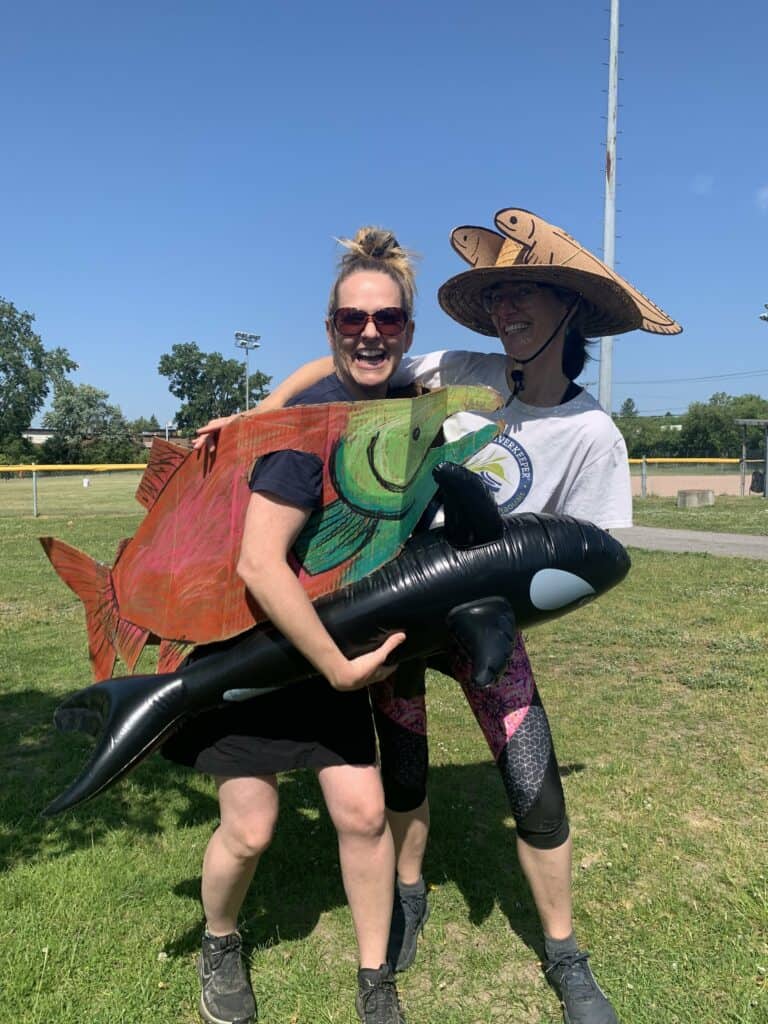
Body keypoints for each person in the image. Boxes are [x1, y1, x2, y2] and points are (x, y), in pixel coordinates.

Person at [200, 207, 682, 1024]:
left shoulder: (592, 433)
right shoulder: (465, 369)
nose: (509, 312)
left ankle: (566, 956)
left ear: (572, 312)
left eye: (527, 295)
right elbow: (348, 362)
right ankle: (410, 896)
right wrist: (261, 418)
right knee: (406, 774)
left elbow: (586, 556)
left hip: (484, 628)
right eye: (501, 298)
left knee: (535, 787)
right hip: (402, 616)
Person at [165, 226, 426, 1024]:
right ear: (331, 327)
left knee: (362, 813)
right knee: (250, 829)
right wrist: (340, 671)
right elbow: (258, 566)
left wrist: (270, 396)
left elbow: (347, 369)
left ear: (408, 331)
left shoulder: (402, 402)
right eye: (352, 321)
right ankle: (220, 940)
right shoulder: (304, 439)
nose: (370, 334)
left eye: (385, 320)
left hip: (325, 648)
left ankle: (375, 980)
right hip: (257, 650)